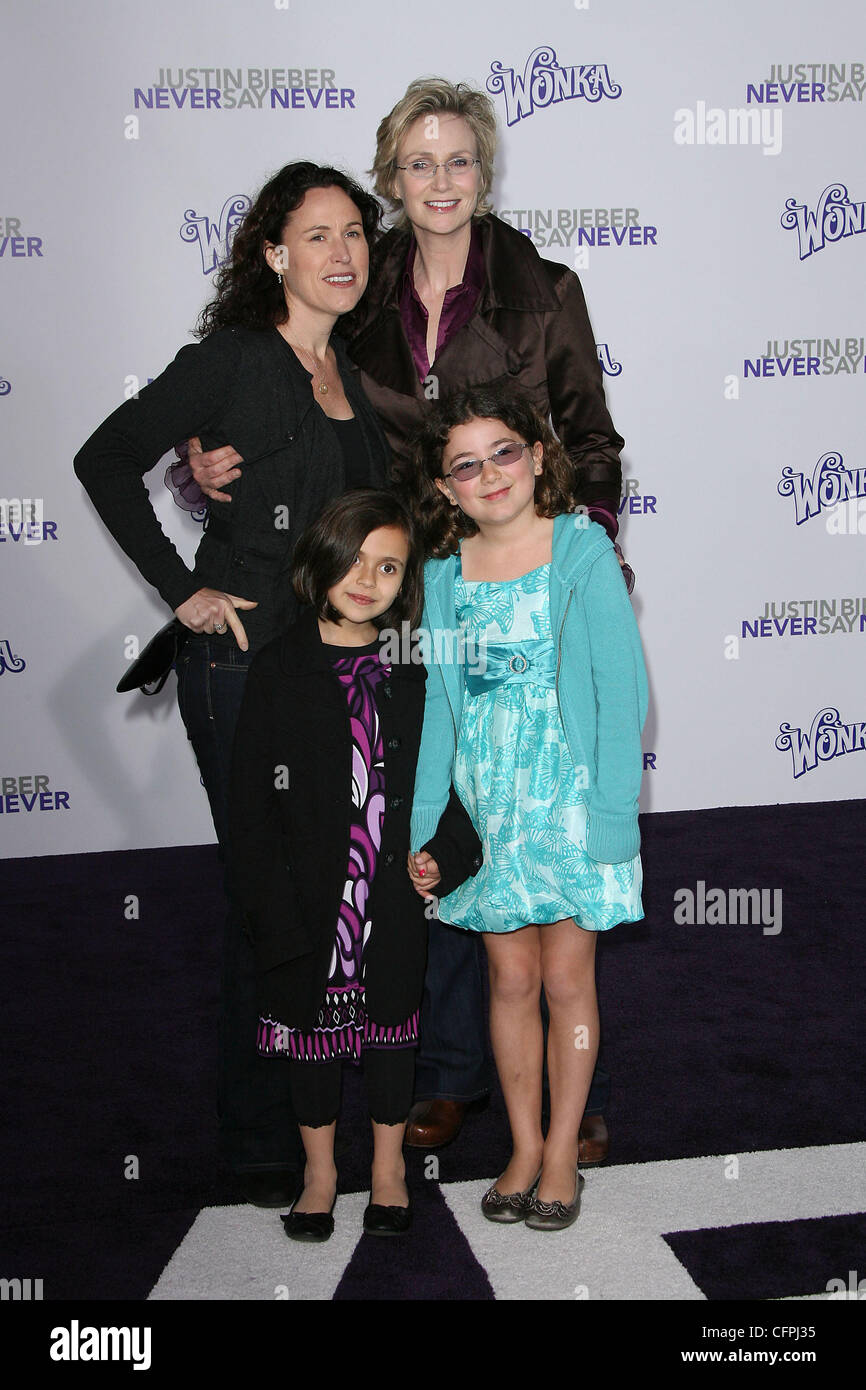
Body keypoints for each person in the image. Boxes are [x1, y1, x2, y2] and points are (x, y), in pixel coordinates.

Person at [185, 76, 627, 1157]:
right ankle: (431, 1061)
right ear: (392, 178)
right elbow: (271, 369)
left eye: (458, 159)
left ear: (484, 171)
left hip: (514, 603)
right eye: (417, 163)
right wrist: (202, 455)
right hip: (393, 603)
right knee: (417, 828)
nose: (439, 180)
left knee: (509, 825)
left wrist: (578, 565)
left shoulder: (544, 291)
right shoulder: (356, 283)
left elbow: (594, 442)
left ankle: (492, 1084)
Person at [73, 162, 392, 1207]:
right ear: (270, 254)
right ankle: (261, 1140)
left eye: (352, 232)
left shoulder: (351, 369)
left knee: (322, 885)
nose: (339, 252)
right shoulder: (234, 360)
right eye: (314, 235)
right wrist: (182, 592)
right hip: (245, 667)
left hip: (334, 671)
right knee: (271, 895)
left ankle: (315, 1108)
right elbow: (103, 458)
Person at [405, 384, 647, 1230]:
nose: (489, 474)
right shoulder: (441, 577)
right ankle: (518, 1142)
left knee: (564, 979)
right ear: (444, 487)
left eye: (504, 452)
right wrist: (427, 824)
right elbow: (439, 702)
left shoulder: (579, 553)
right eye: (464, 465)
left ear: (539, 455)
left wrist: (616, 812)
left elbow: (622, 691)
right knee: (507, 978)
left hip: (573, 805)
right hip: (487, 812)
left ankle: (561, 1151)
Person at [228, 490, 480, 1239]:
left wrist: (446, 855)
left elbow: (459, 779)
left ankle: (388, 1170)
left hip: (393, 898)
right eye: (356, 559)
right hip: (310, 900)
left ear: (409, 583)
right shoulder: (280, 668)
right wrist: (272, 913)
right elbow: (250, 811)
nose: (369, 579)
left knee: (394, 1034)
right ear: (320, 559)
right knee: (312, 1037)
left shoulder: (419, 671)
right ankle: (319, 1173)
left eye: (391, 566)